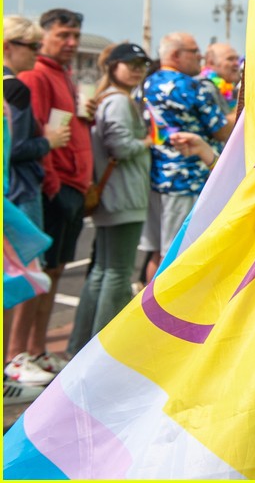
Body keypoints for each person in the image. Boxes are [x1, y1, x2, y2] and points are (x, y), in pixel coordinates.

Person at [7, 8, 92, 380]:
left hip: (59, 186)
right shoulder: (31, 78)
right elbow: (26, 141)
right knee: (29, 275)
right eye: (62, 36)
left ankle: (35, 349)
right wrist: (54, 182)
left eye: (75, 36)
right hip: (41, 188)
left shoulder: (61, 76)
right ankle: (17, 354)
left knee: (48, 273)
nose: (70, 43)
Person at [68, 42, 153, 354]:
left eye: (142, 64)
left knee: (102, 272)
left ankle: (82, 346)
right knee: (116, 274)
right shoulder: (118, 102)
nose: (137, 69)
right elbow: (121, 146)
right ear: (113, 66)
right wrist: (145, 142)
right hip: (124, 197)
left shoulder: (103, 99)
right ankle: (100, 352)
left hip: (111, 196)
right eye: (130, 63)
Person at [3, 15, 69, 396]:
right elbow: (17, 150)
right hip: (19, 195)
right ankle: (16, 357)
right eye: (32, 46)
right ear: (10, 45)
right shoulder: (16, 89)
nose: (38, 53)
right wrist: (48, 141)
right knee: (24, 277)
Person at [139, 32, 231, 287]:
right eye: (194, 51)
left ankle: (146, 316)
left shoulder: (148, 83)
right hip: (188, 178)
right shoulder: (189, 86)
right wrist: (244, 110)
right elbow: (222, 130)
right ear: (176, 55)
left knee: (157, 254)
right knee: (179, 255)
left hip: (157, 177)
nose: (200, 57)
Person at [199, 42, 241, 114]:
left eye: (237, 59)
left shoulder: (231, 87)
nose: (237, 63)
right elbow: (223, 124)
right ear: (211, 63)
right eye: (230, 59)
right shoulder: (203, 88)